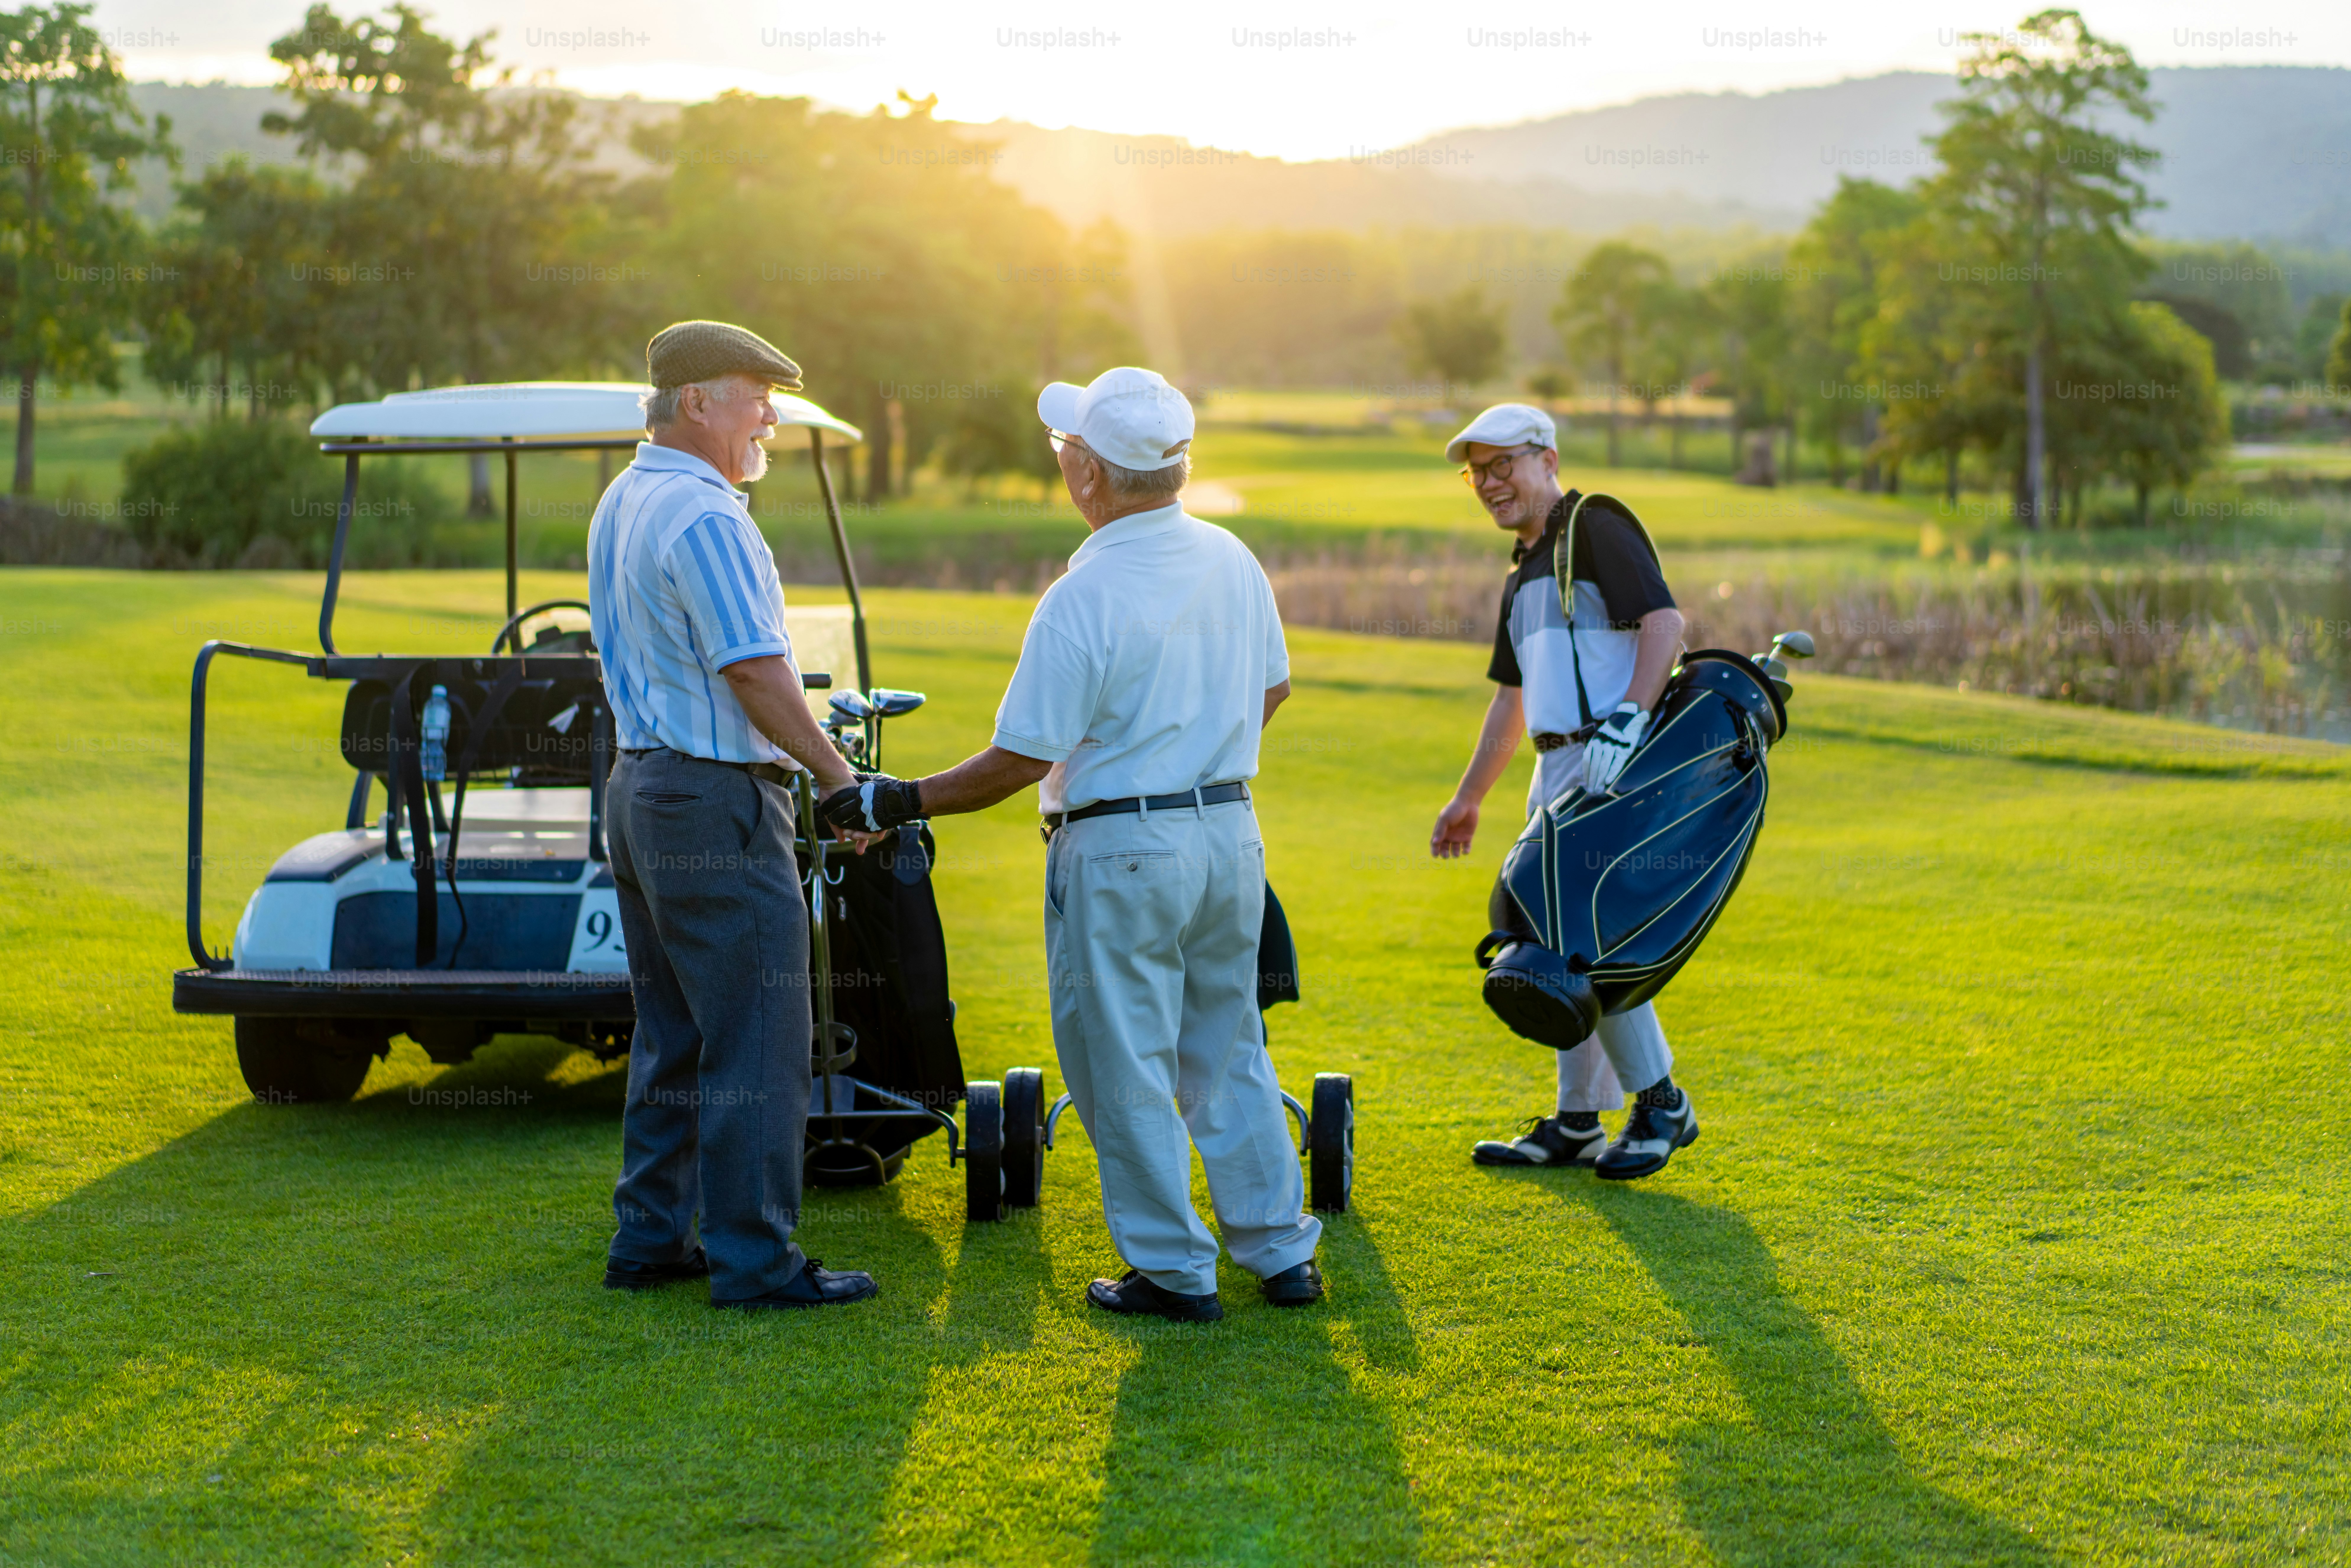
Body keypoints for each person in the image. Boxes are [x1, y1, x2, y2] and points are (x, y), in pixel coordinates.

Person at [818, 366, 1323, 1322]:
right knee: (1232, 1048)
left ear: (1090, 473)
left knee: (1124, 1063)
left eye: (1065, 450)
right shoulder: (1231, 557)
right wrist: (1194, 743)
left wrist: (900, 798)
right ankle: (1281, 1252)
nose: (1061, 461)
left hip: (1122, 848)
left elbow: (1019, 759)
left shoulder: (1081, 594)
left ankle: (1176, 1272)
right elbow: (1273, 692)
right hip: (1230, 832)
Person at [589, 320, 880, 1309]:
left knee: (672, 1029)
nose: (770, 416)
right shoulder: (709, 518)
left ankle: (652, 1238)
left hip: (639, 789)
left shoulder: (624, 499)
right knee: (760, 1033)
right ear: (699, 402)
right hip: (711, 799)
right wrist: (840, 778)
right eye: (757, 395)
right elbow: (755, 671)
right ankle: (757, 1262)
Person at [1428, 403, 1699, 1180]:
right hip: (1557, 775)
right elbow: (1511, 700)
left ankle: (1661, 1104)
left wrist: (1628, 721)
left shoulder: (1595, 527)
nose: (1489, 482)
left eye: (1503, 464)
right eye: (1477, 471)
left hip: (1613, 768)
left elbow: (1665, 622)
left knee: (1591, 942)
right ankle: (1578, 1122)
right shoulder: (1523, 571)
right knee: (1555, 945)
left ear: (1547, 458)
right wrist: (1471, 796)